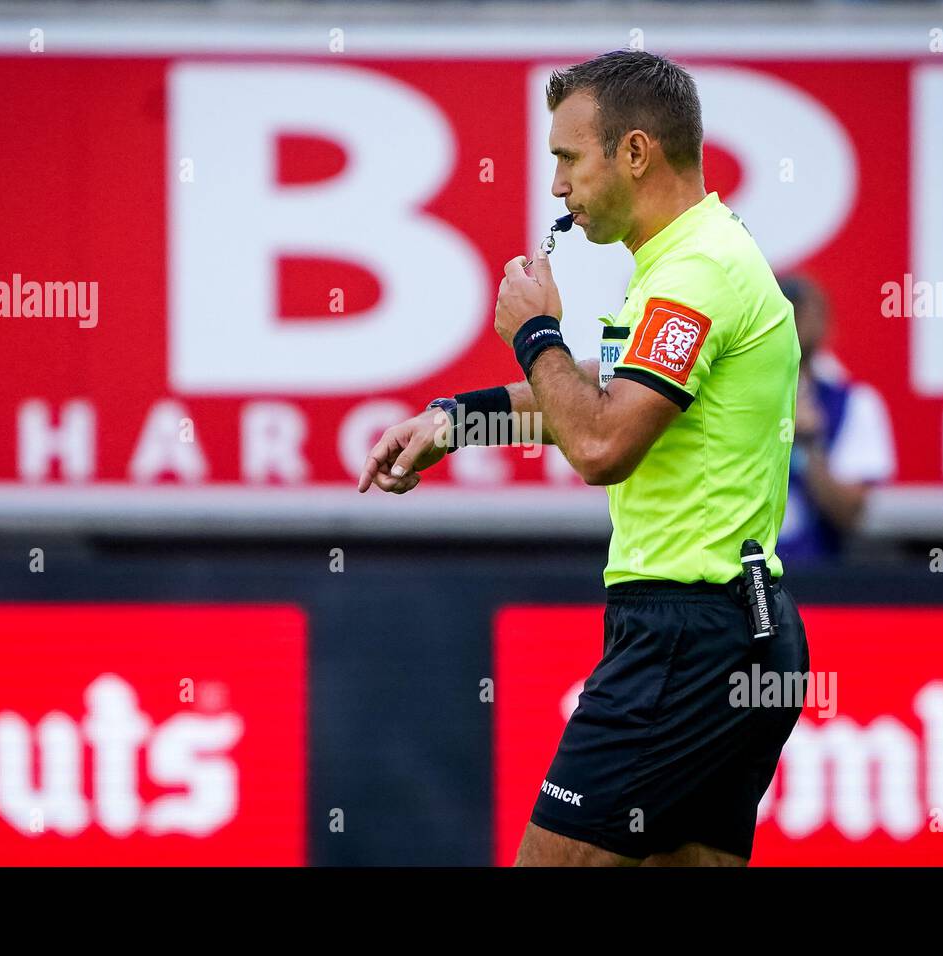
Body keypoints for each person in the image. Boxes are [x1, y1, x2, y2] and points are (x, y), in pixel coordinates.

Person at [357, 50, 808, 867]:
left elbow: (601, 445)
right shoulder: (692, 256)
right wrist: (455, 422)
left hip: (686, 639)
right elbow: (611, 396)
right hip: (737, 631)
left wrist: (535, 335)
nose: (557, 187)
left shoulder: (696, 273)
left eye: (568, 158)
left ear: (635, 152)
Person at [777, 275, 897, 563]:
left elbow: (848, 514)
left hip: (813, 580)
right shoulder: (730, 396)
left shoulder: (854, 404)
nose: (790, 317)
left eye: (798, 307)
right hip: (732, 581)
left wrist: (810, 444)